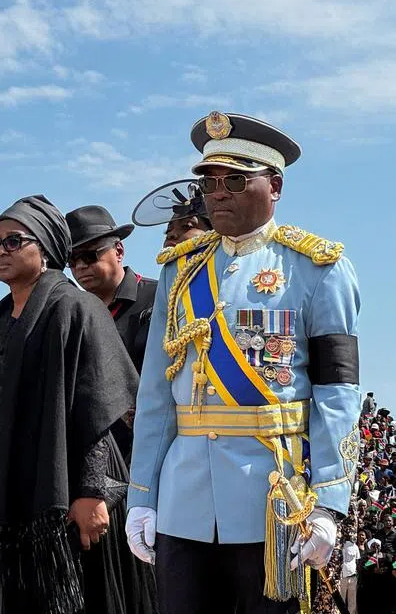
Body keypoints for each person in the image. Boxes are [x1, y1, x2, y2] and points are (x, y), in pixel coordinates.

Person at [126, 112, 361, 613]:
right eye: (209, 181)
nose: (219, 192)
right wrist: (142, 492)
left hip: (271, 504)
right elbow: (155, 394)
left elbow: (338, 395)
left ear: (274, 185)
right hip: (182, 501)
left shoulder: (319, 268)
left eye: (235, 178)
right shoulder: (180, 273)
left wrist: (329, 503)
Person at [0, 196, 153, 614]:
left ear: (43, 246)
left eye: (13, 241)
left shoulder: (77, 307)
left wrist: (93, 492)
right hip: (4, 485)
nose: (1, 251)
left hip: (66, 486)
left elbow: (100, 405)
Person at [65, 205, 157, 372]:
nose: (80, 266)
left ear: (119, 251)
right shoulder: (73, 313)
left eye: (88, 256)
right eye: (72, 261)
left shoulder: (159, 297)